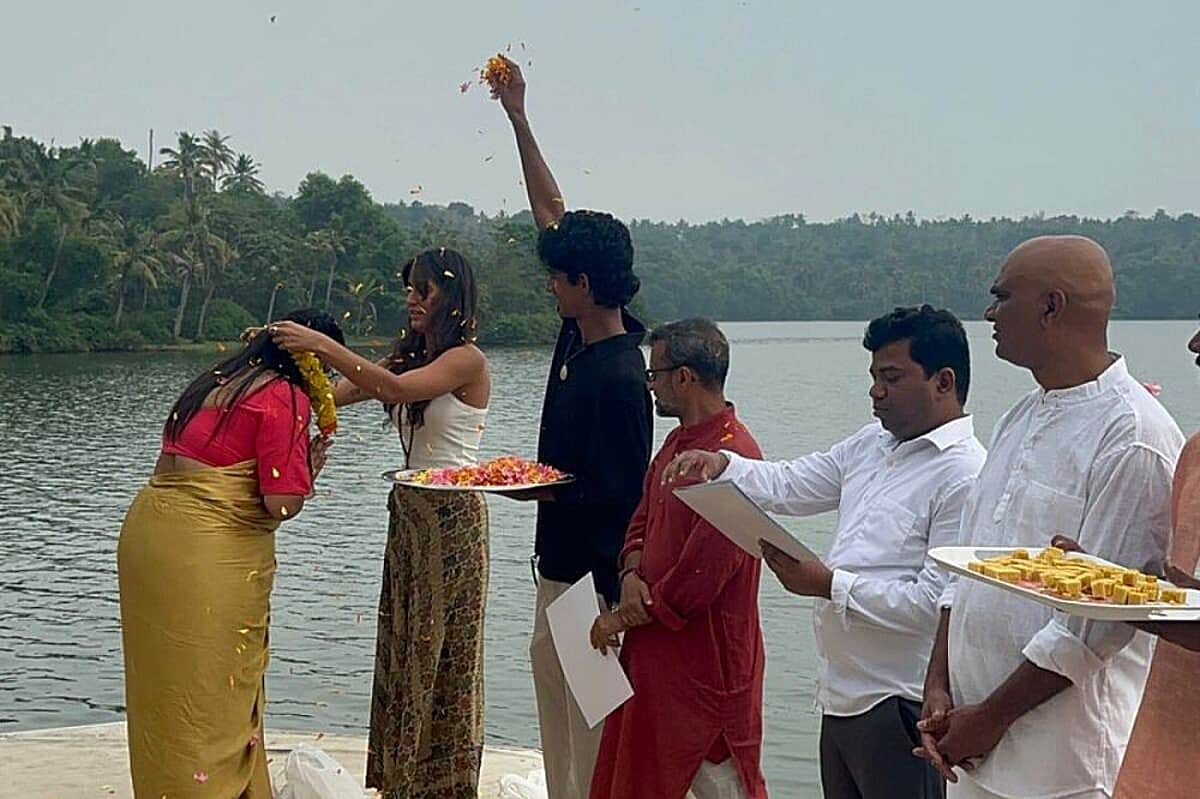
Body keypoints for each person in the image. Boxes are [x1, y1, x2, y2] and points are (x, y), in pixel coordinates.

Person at [665, 305, 985, 799]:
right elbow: (792, 483)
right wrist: (724, 464)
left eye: (892, 378)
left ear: (943, 382)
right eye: (874, 376)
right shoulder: (873, 444)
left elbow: (935, 607)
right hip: (840, 696)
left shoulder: (964, 474)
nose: (875, 391)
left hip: (900, 700)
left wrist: (829, 584)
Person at [914, 236, 1185, 799]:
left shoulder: (1133, 434)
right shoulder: (1019, 417)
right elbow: (966, 568)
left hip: (1066, 766)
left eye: (1002, 297)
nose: (989, 314)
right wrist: (938, 685)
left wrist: (991, 718)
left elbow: (1099, 622)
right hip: (972, 749)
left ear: (1050, 307)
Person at [271, 248, 491, 798]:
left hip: (453, 517)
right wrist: (273, 388)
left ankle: (444, 785)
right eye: (409, 290)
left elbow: (393, 391)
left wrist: (323, 345)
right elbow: (336, 397)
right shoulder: (407, 357)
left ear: (450, 296)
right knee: (404, 643)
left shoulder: (466, 360)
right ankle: (400, 781)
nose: (412, 300)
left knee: (443, 651)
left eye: (424, 291)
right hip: (409, 513)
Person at [491, 56, 653, 799]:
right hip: (553, 575)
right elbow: (552, 214)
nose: (549, 286)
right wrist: (519, 119)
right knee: (557, 740)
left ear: (584, 285)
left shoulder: (621, 376)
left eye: (557, 278)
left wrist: (531, 488)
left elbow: (615, 495)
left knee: (592, 747)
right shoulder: (577, 335)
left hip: (592, 589)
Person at [118, 307, 341, 798]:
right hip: (203, 549)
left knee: (165, 686)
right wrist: (307, 470)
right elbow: (281, 503)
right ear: (314, 363)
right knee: (214, 687)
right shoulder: (284, 396)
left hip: (148, 533)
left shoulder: (212, 384)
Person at [588, 318, 767, 799]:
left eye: (655, 374)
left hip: (706, 663)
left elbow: (701, 578)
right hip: (655, 655)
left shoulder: (736, 457)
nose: (651, 385)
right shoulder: (676, 443)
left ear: (684, 377)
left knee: (718, 782)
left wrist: (621, 616)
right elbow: (641, 520)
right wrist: (630, 571)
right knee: (641, 776)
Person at [1049, 321, 1200, 799]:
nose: (1194, 344)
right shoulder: (1195, 456)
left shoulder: (1141, 434)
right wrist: (1105, 578)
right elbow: (1180, 594)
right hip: (1162, 758)